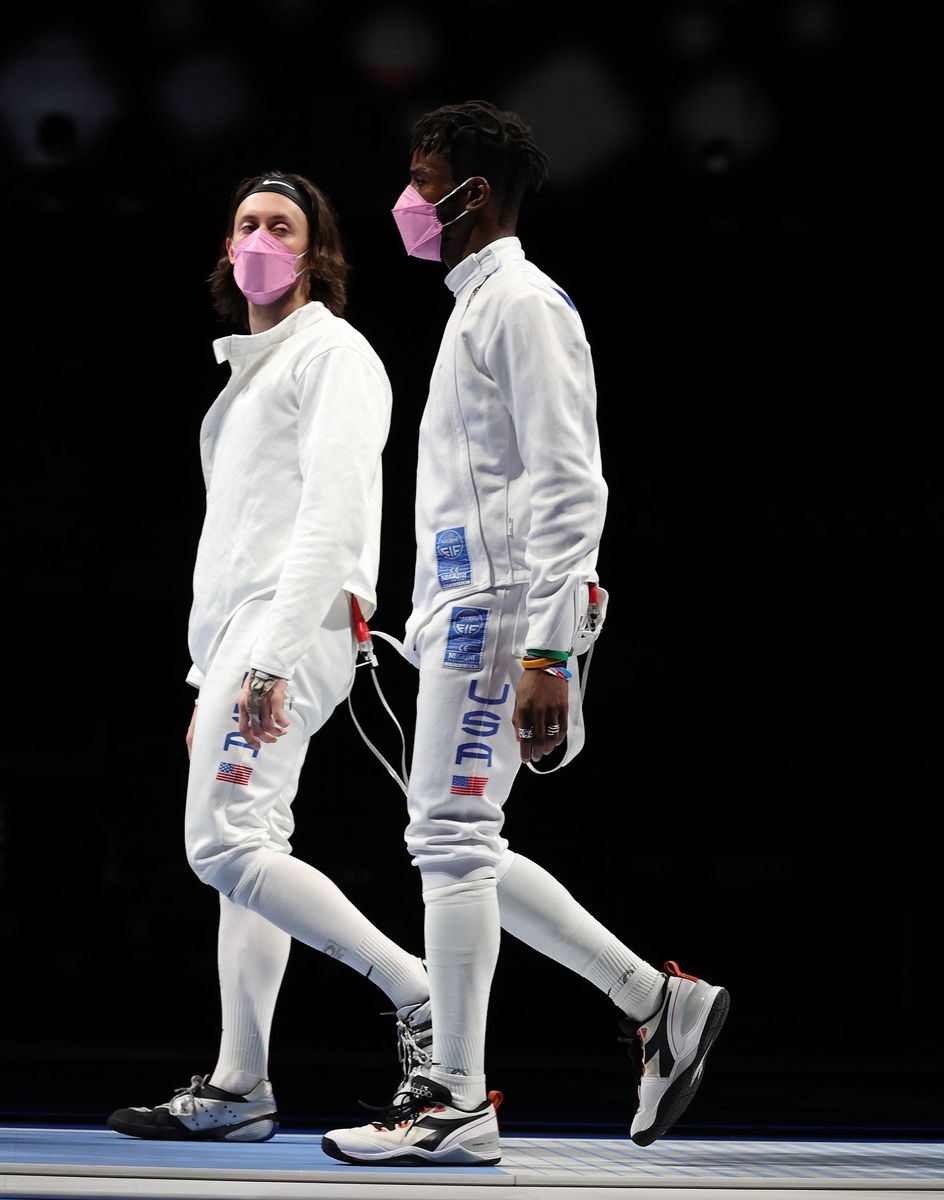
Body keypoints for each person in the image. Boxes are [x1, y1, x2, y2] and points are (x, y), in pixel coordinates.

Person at [323, 103, 729, 1167]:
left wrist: (549, 649)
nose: (410, 201)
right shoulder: (476, 308)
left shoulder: (524, 306)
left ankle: (455, 1099)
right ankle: (655, 1003)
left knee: (450, 844)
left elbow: (570, 484)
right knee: (465, 844)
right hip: (471, 611)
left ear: (477, 193)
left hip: (507, 617)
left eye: (425, 179)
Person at [107, 171, 431, 1144]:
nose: (259, 236)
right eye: (245, 222)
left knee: (223, 842)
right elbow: (234, 545)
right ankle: (240, 1084)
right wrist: (212, 675)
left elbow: (328, 519)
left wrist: (271, 659)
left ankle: (422, 998)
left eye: (279, 224)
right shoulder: (244, 384)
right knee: (246, 853)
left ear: (315, 251)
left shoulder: (333, 353)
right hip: (243, 636)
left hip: (295, 623)